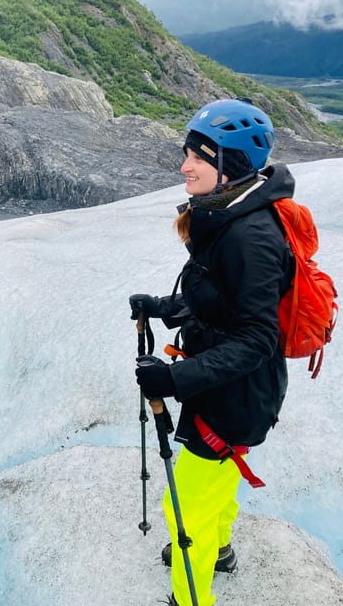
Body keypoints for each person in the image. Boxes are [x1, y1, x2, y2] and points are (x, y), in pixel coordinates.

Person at [129, 98, 295, 606]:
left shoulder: (250, 237)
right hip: (229, 389)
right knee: (220, 476)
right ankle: (221, 551)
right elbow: (222, 304)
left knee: (189, 510)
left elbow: (257, 338)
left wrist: (174, 381)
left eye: (197, 157)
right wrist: (163, 306)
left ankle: (191, 595)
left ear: (231, 166)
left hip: (233, 397)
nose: (184, 166)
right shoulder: (229, 216)